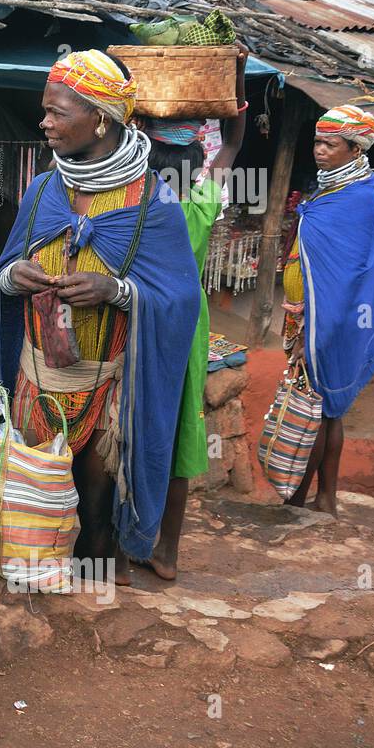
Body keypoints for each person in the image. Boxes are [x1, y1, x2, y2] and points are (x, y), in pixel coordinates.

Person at [0, 50, 199, 585]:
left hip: (106, 381)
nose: (44, 122)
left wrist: (116, 290)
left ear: (100, 119)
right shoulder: (43, 190)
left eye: (57, 112)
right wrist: (11, 278)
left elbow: (180, 300)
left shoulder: (153, 204)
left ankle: (98, 607)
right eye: (44, 110)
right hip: (35, 373)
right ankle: (28, 578)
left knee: (96, 502)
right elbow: (5, 269)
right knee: (30, 491)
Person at [138, 43, 250, 580]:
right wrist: (237, 76)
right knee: (182, 435)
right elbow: (232, 141)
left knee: (129, 426)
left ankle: (117, 546)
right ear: (191, 165)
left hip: (134, 322)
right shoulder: (200, 199)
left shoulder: (131, 200)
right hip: (186, 327)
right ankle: (168, 552)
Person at [281, 105, 374, 518]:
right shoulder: (333, 190)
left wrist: (315, 331)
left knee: (323, 408)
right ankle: (319, 496)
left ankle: (306, 495)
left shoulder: (356, 200)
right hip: (310, 316)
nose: (319, 151)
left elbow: (348, 274)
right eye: (317, 142)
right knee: (322, 407)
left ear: (355, 148)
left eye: (330, 144)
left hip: (331, 319)